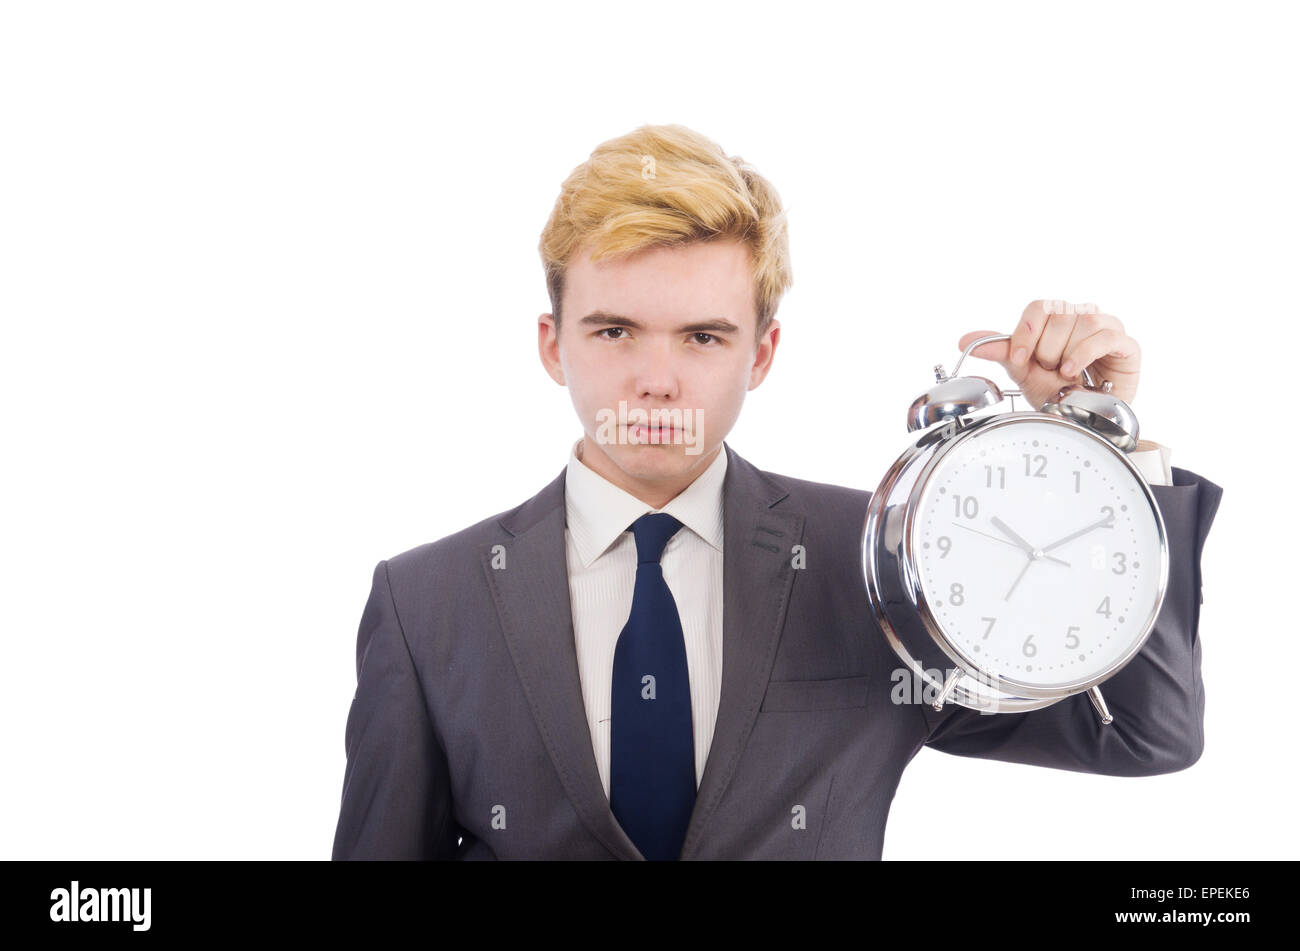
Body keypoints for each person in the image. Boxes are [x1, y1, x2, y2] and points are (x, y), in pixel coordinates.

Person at [330, 123, 1223, 860]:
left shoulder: (879, 555)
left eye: (704, 338)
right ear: (551, 344)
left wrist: (1104, 446)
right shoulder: (428, 603)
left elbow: (1143, 732)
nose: (655, 379)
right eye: (613, 330)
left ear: (762, 353)